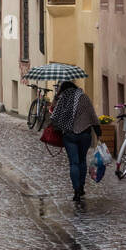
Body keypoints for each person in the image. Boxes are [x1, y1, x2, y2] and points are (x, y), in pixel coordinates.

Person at [50, 80, 102, 208]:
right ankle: (82, 186)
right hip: (84, 134)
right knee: (82, 160)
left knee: (74, 163)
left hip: (69, 135)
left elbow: (54, 116)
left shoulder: (62, 99)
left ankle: (76, 190)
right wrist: (98, 131)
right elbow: (92, 115)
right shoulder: (83, 97)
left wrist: (56, 98)